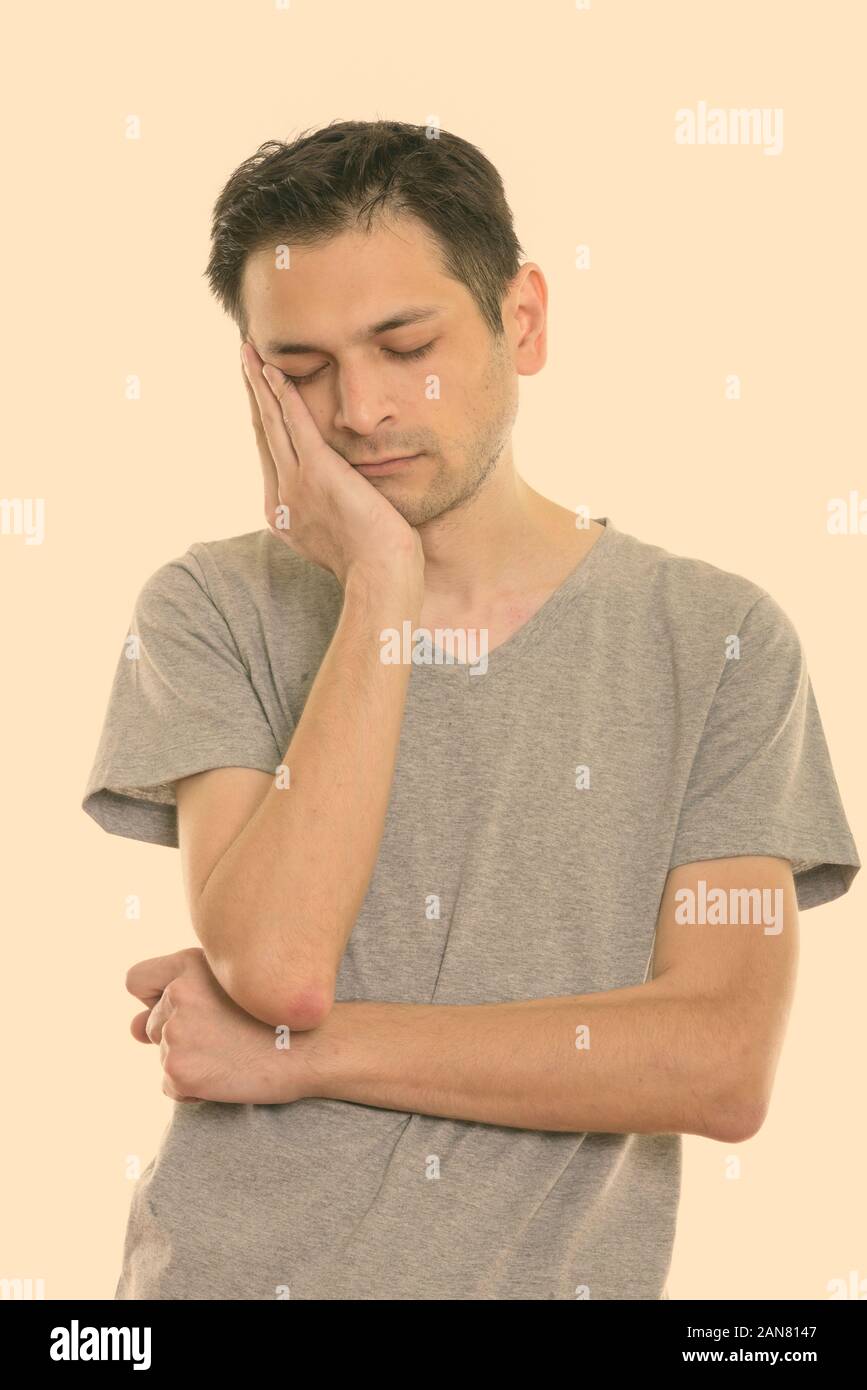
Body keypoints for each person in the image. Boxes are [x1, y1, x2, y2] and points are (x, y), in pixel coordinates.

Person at [82, 120, 860, 1301]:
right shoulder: (209, 607)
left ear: (524, 320)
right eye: (302, 370)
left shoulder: (718, 638)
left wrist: (301, 1059)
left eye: (406, 345)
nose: (360, 409)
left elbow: (718, 1064)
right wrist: (381, 591)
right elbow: (282, 964)